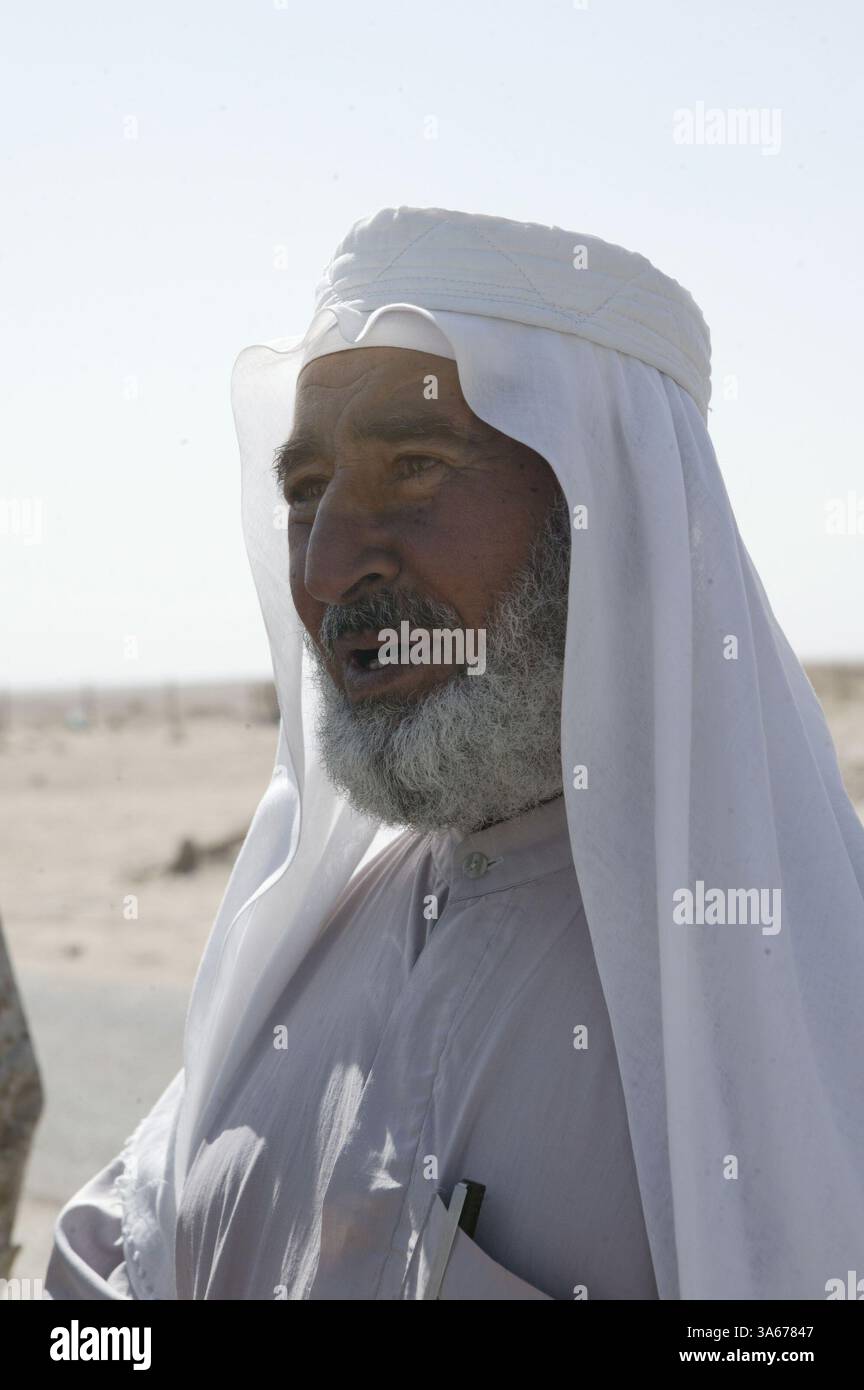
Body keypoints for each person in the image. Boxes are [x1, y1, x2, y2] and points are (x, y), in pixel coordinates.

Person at [46, 206, 864, 1300]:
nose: (329, 563)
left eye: (417, 466)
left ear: (608, 506)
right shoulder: (312, 943)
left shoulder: (803, 981)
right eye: (303, 492)